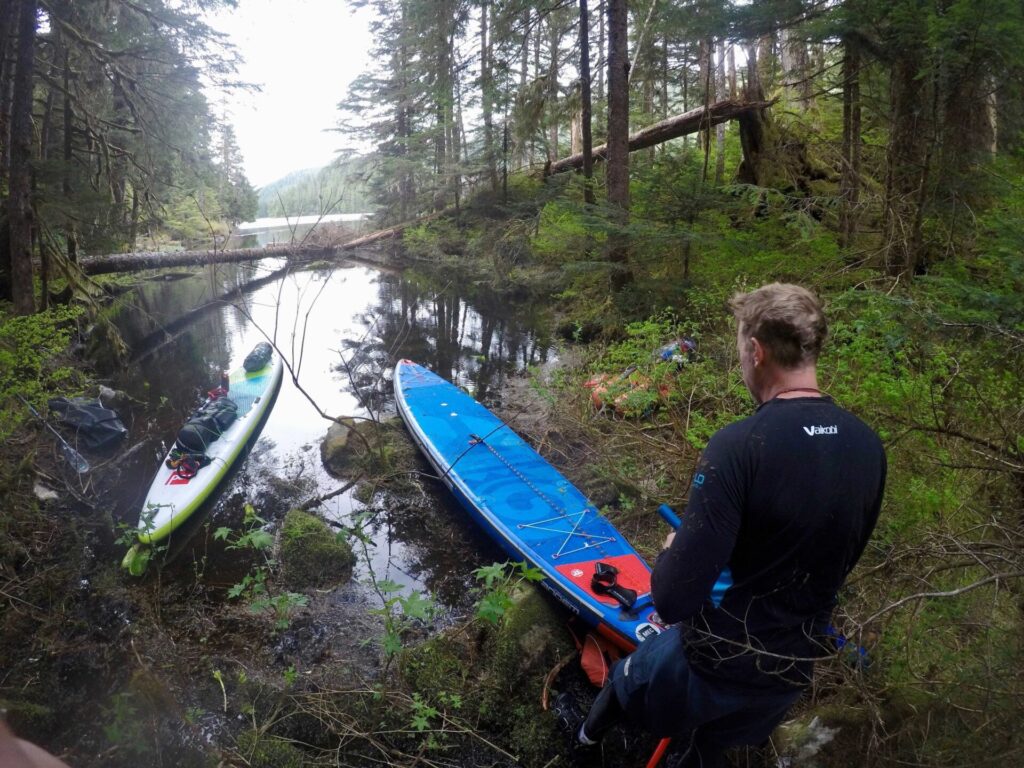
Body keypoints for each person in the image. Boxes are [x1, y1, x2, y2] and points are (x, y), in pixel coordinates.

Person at [555, 283, 887, 766]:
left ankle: (582, 742)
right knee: (712, 750)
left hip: (717, 663)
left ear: (756, 351)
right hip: (793, 667)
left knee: (625, 681)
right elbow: (835, 554)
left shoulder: (739, 447)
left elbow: (672, 599)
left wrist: (673, 549)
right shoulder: (868, 446)